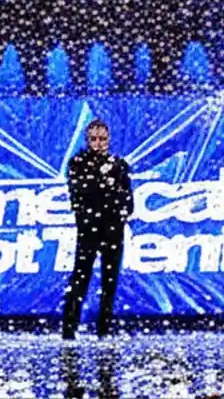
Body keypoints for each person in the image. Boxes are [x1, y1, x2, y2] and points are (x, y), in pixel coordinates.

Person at [62, 118, 133, 339]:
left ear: (108, 139)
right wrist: (102, 181)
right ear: (87, 140)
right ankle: (69, 327)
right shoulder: (78, 163)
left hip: (112, 229)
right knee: (80, 279)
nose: (98, 143)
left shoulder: (119, 165)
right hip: (89, 229)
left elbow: (128, 199)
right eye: (93, 139)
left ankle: (104, 328)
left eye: (102, 139)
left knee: (109, 280)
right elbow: (80, 192)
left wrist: (119, 210)